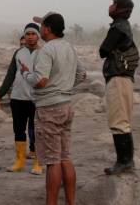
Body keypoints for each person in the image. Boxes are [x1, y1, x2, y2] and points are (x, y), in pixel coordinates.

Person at [21, 12, 87, 205]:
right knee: (65, 157)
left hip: (49, 108)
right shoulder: (69, 47)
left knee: (52, 161)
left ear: (47, 29)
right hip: (66, 105)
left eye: (42, 26)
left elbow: (40, 81)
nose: (39, 30)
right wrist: (64, 88)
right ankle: (70, 202)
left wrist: (26, 74)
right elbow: (82, 74)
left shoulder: (46, 50)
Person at [0, 23, 43, 175]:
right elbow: (10, 75)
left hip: (36, 99)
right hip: (17, 97)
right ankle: (19, 161)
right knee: (18, 130)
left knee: (36, 131)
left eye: (33, 34)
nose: (30, 37)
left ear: (38, 36)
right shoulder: (18, 53)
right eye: (27, 34)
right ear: (24, 36)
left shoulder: (44, 53)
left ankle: (38, 163)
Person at [98, 0, 139, 175]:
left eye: (114, 4)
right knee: (124, 121)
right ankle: (127, 161)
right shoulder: (125, 26)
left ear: (119, 8)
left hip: (118, 79)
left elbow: (103, 50)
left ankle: (124, 162)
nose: (110, 6)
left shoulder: (118, 27)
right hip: (125, 79)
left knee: (118, 122)